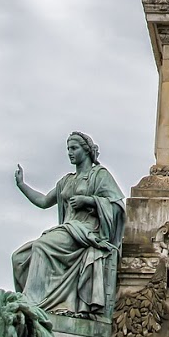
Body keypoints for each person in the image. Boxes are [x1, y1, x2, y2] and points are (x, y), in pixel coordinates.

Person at [13, 132, 125, 321]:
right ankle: (46, 301)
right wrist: (21, 185)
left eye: (74, 148)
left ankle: (32, 301)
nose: (70, 153)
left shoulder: (99, 175)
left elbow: (117, 206)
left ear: (86, 150)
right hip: (68, 230)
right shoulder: (67, 180)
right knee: (20, 257)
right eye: (68, 149)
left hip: (86, 231)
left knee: (42, 245)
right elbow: (42, 201)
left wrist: (89, 201)